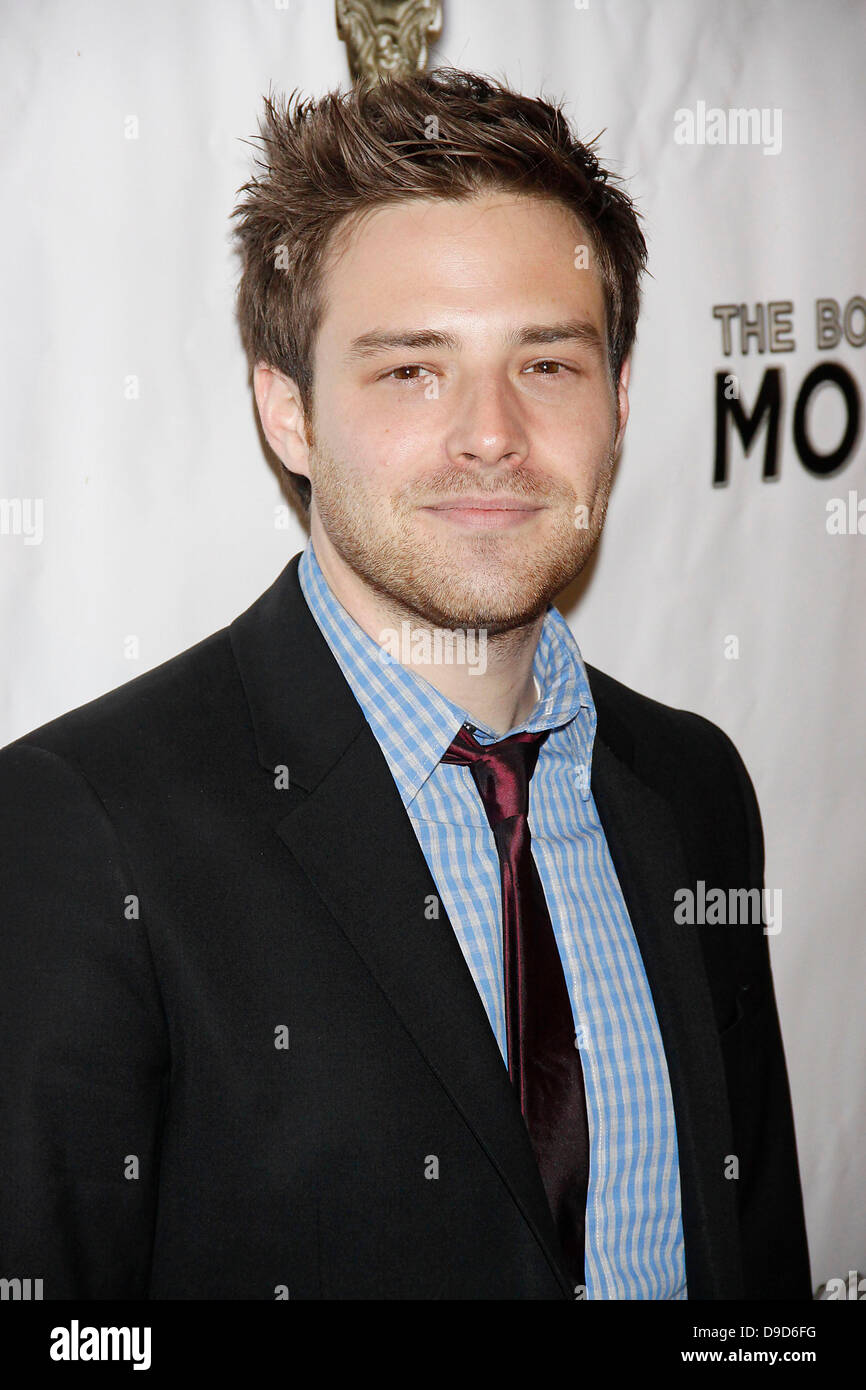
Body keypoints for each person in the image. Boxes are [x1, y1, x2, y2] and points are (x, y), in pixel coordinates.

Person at [0, 68, 810, 1300]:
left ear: (621, 402)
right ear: (289, 414)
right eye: (408, 370)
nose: (490, 432)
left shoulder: (694, 786)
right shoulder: (84, 826)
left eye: (547, 364)